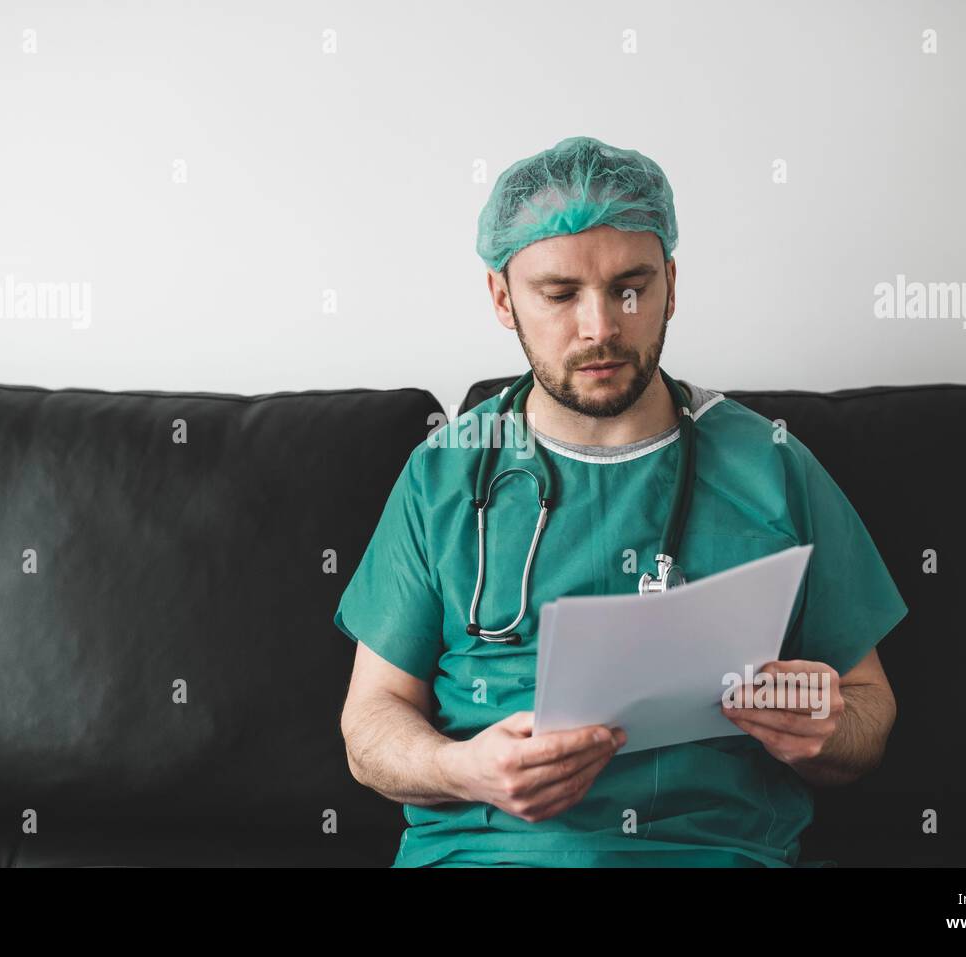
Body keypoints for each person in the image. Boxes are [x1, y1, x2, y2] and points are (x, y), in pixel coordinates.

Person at [334, 136, 907, 867]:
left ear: (671, 281)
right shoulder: (442, 475)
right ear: (502, 298)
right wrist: (461, 767)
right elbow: (369, 723)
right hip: (487, 854)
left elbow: (869, 708)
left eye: (631, 287)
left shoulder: (772, 463)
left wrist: (830, 730)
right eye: (561, 294)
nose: (601, 326)